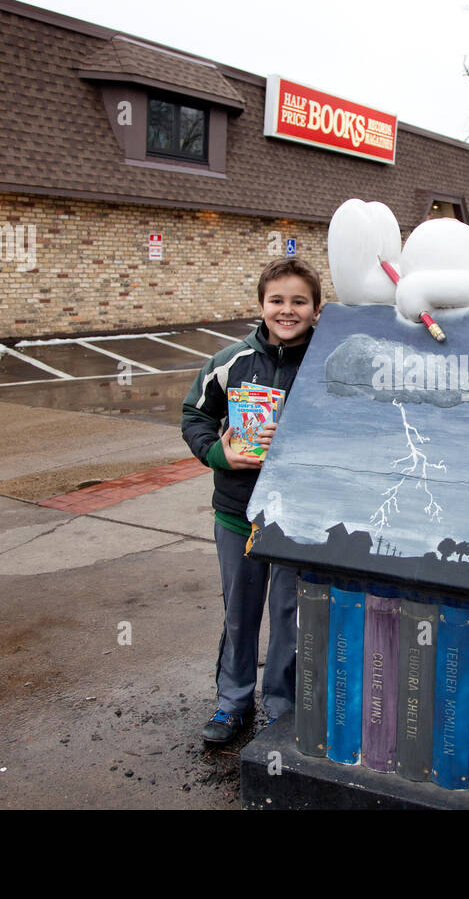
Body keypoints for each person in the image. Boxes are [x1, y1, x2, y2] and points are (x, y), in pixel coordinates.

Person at [181, 256, 321, 744]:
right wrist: (218, 451)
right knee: (240, 613)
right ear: (261, 305)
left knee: (289, 615)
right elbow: (194, 415)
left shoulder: (326, 368)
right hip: (238, 516)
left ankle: (281, 709)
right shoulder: (231, 362)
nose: (287, 310)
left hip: (296, 518)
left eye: (298, 301)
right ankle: (232, 703)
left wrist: (301, 439)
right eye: (277, 300)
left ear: (316, 309)